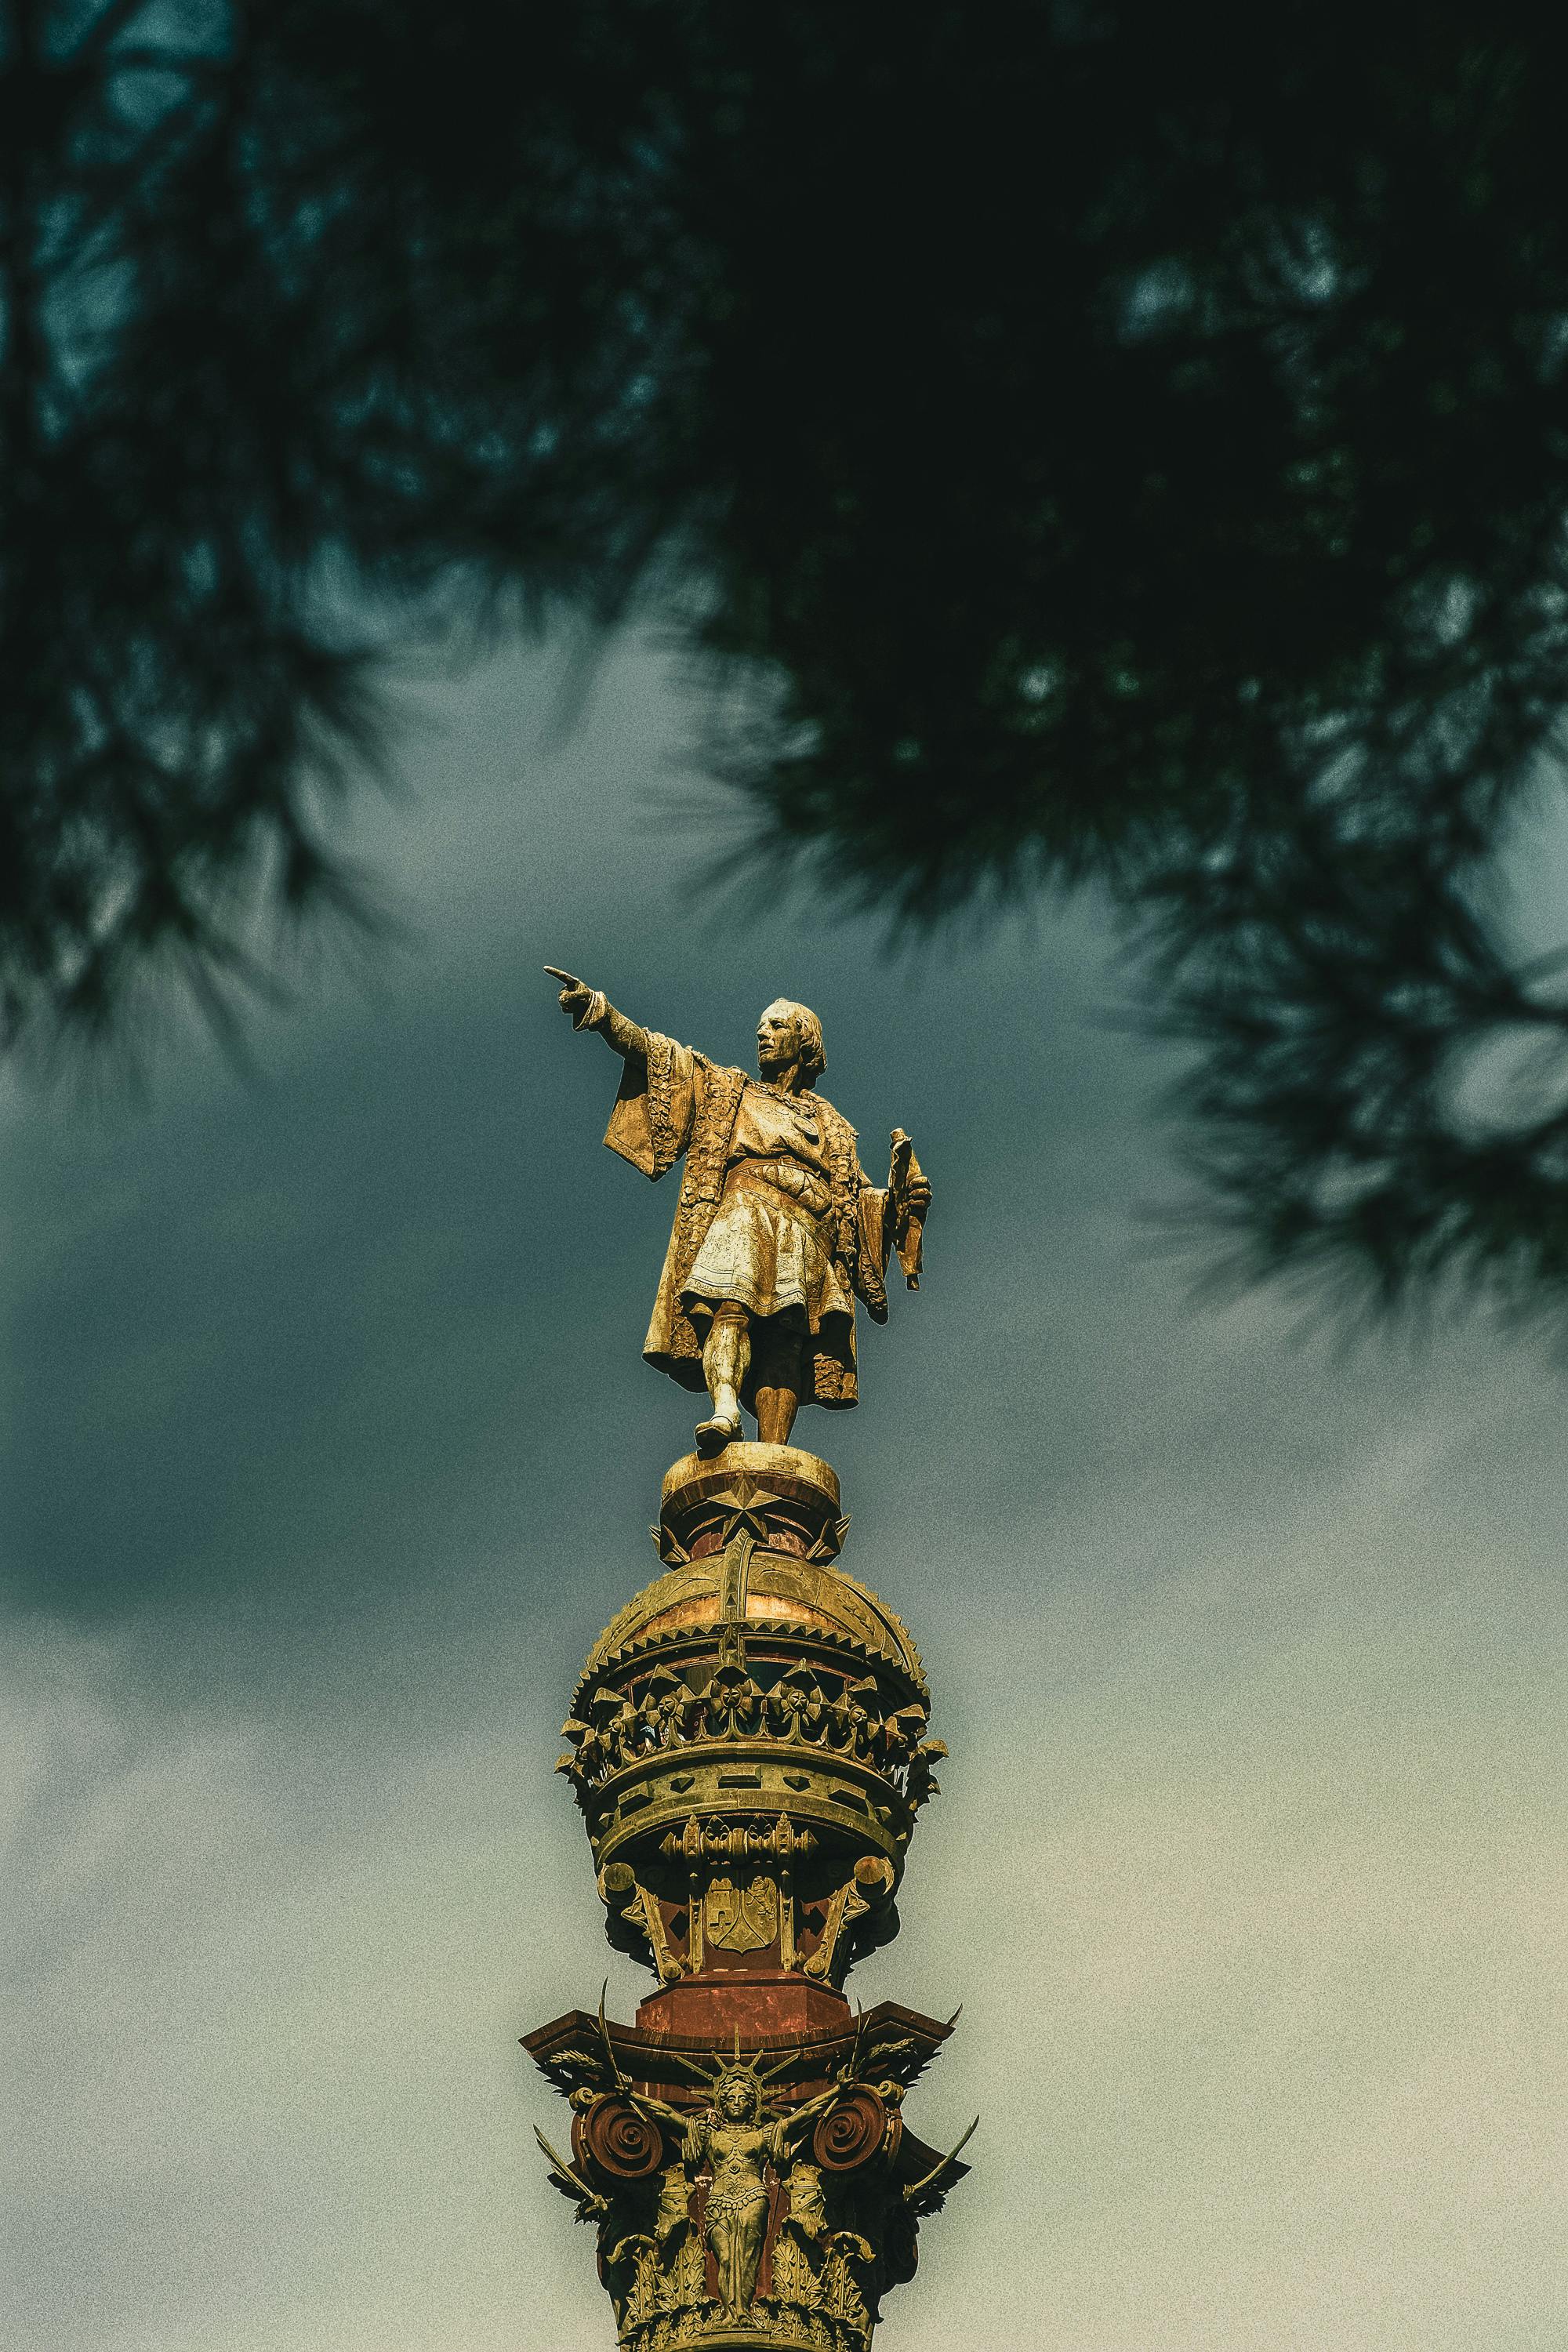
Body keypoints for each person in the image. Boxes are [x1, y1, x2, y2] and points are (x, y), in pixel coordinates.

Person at [547, 971, 930, 1450]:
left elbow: (858, 1204)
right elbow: (658, 1054)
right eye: (760, 1028)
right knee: (729, 1305)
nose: (762, 1033)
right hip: (745, 1210)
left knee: (788, 1341)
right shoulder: (730, 1091)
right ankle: (725, 1408)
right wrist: (602, 1015)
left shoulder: (834, 1127)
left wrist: (901, 1202)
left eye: (775, 1025)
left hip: (809, 1233)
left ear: (804, 1040)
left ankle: (776, 1451)